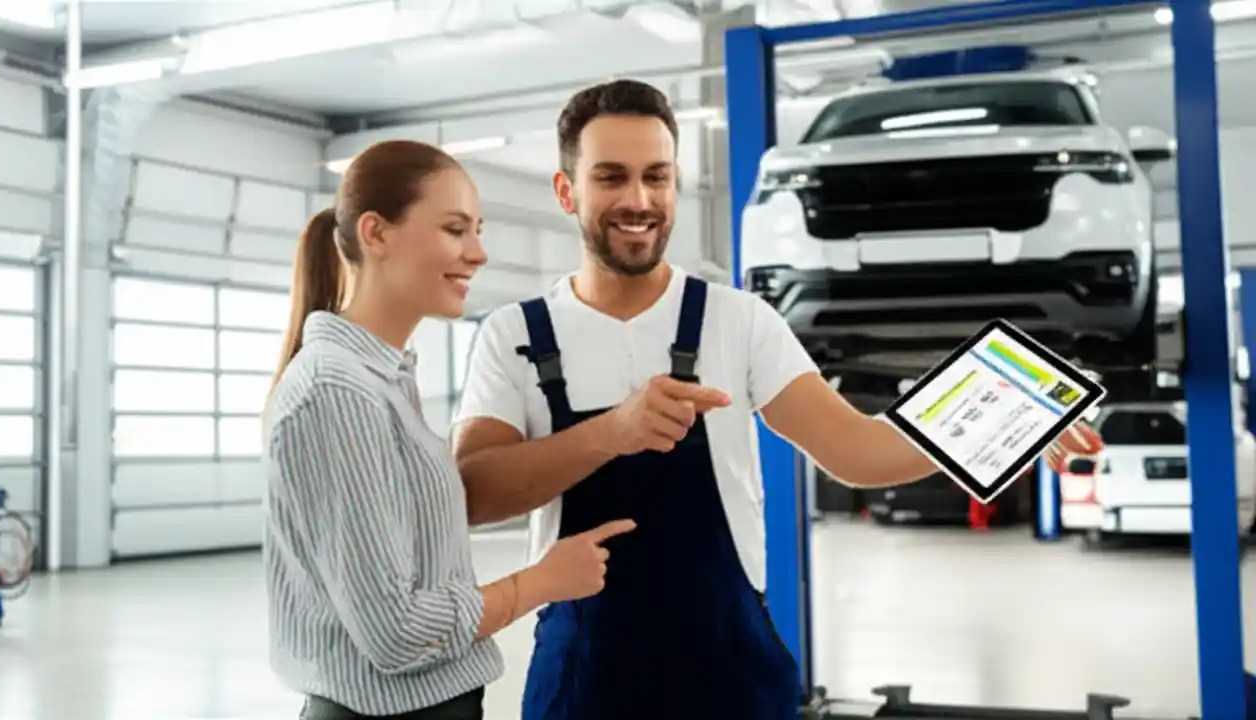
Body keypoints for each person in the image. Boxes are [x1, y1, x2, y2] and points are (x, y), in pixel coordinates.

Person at [449, 80, 1104, 720]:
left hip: (729, 671)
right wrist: (611, 431)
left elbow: (858, 449)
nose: (639, 199)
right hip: (582, 680)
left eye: (658, 175)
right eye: (611, 177)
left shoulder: (738, 321)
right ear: (566, 191)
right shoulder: (515, 335)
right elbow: (475, 494)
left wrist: (1007, 418)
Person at [261, 139, 637, 720]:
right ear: (376, 234)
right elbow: (397, 633)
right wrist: (538, 582)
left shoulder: (385, 378)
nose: (479, 252)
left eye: (477, 230)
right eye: (456, 230)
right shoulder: (337, 392)